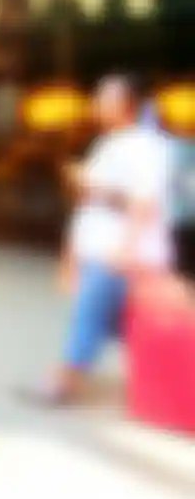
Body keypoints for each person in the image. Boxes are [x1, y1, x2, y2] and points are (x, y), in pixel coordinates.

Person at [25, 74, 173, 406]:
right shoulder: (108, 145)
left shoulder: (145, 146)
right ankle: (163, 379)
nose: (97, 102)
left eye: (105, 97)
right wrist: (71, 257)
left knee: (89, 315)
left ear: (127, 105)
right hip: (100, 251)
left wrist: (127, 249)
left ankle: (65, 379)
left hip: (118, 254)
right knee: (119, 324)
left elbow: (144, 201)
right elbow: (91, 204)